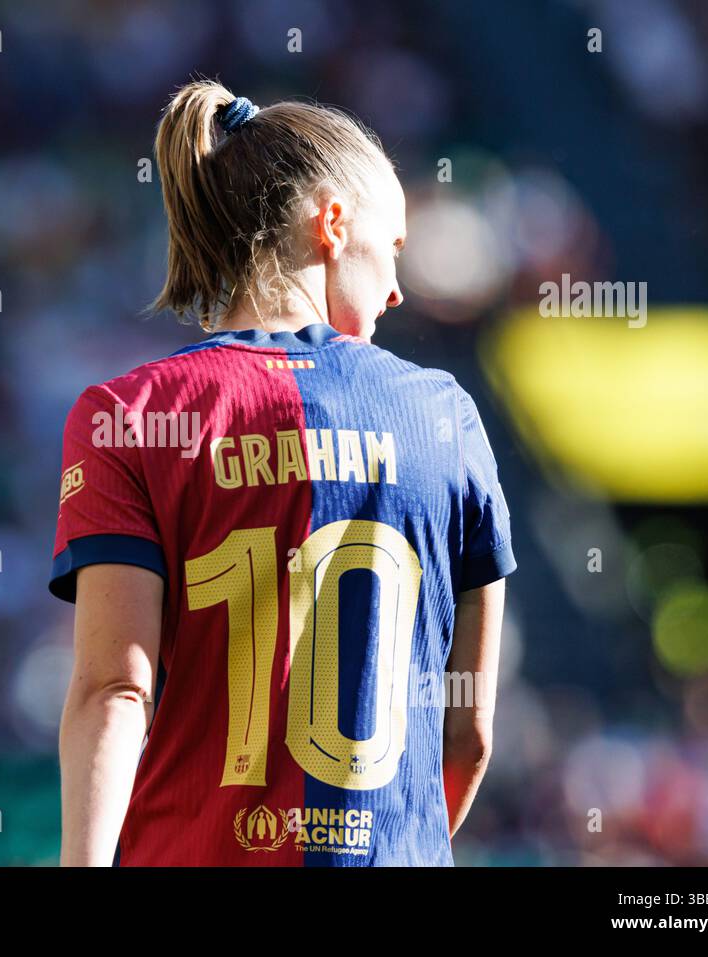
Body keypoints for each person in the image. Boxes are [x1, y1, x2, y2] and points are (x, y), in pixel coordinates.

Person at [51, 79, 515, 866]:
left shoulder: (125, 414)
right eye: (392, 249)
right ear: (332, 224)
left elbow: (114, 691)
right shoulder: (448, 417)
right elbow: (466, 735)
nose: (399, 288)